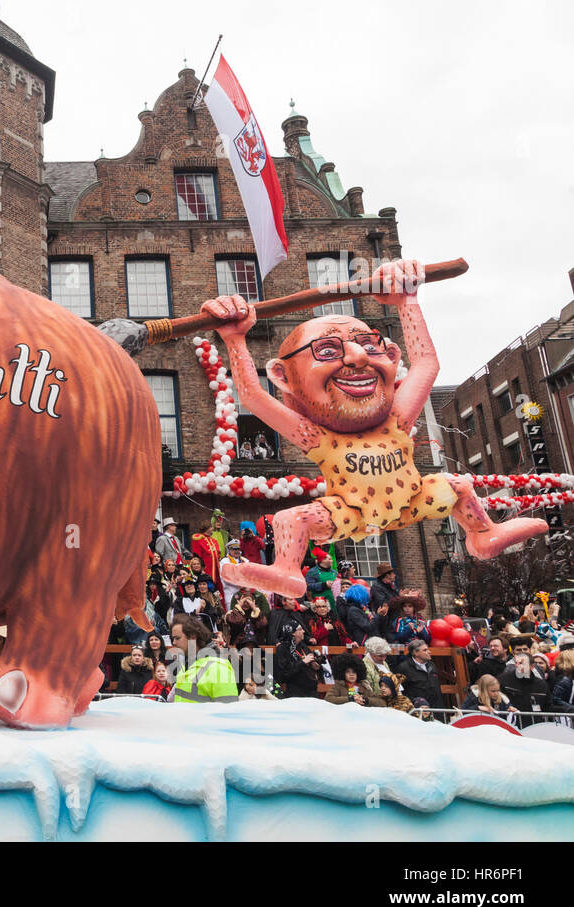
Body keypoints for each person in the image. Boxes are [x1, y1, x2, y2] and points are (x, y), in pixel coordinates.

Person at [202, 280, 546, 599]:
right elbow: (253, 397)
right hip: (349, 512)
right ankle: (286, 570)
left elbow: (426, 363)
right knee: (288, 519)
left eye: (369, 344)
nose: (358, 356)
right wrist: (234, 340)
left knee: (455, 485)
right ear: (283, 377)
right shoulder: (318, 436)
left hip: (413, 500)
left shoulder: (395, 420)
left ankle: (484, 534)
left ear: (392, 357)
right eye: (326, 351)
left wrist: (407, 302)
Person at [170, 615, 238, 703]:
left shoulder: (218, 668)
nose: (173, 642)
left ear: (193, 637)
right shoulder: (185, 665)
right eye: (173, 638)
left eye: (177, 638)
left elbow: (228, 711)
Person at [276, 620, 322, 699]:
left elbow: (311, 662)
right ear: (293, 633)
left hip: (311, 689)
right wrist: (303, 662)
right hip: (295, 691)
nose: (303, 631)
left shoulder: (303, 646)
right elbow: (285, 672)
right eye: (300, 629)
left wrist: (315, 666)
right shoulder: (283, 648)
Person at [393, 639, 443, 711]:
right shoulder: (403, 668)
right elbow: (400, 692)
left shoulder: (432, 665)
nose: (429, 652)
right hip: (417, 712)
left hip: (436, 710)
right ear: (415, 653)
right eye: (425, 650)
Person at [498, 652, 547, 718]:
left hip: (534, 723)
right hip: (511, 722)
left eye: (521, 663)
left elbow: (547, 706)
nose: (517, 665)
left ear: (532, 667)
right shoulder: (503, 679)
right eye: (516, 663)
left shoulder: (541, 685)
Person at [219, 539, 247, 609]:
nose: (237, 551)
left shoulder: (245, 560)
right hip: (230, 592)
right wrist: (239, 584)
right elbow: (225, 577)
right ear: (229, 550)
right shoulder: (224, 562)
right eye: (234, 549)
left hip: (244, 592)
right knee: (232, 613)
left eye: (238, 549)